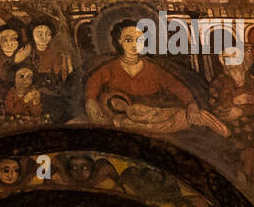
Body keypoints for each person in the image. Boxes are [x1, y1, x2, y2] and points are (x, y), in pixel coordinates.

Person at [84, 20, 228, 135]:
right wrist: (91, 100)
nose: (134, 45)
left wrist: (191, 102)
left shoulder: (152, 68)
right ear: (119, 41)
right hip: (123, 114)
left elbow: (174, 85)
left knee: (169, 116)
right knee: (129, 119)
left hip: (154, 112)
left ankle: (201, 118)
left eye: (139, 40)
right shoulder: (110, 67)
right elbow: (93, 82)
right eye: (129, 40)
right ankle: (194, 119)